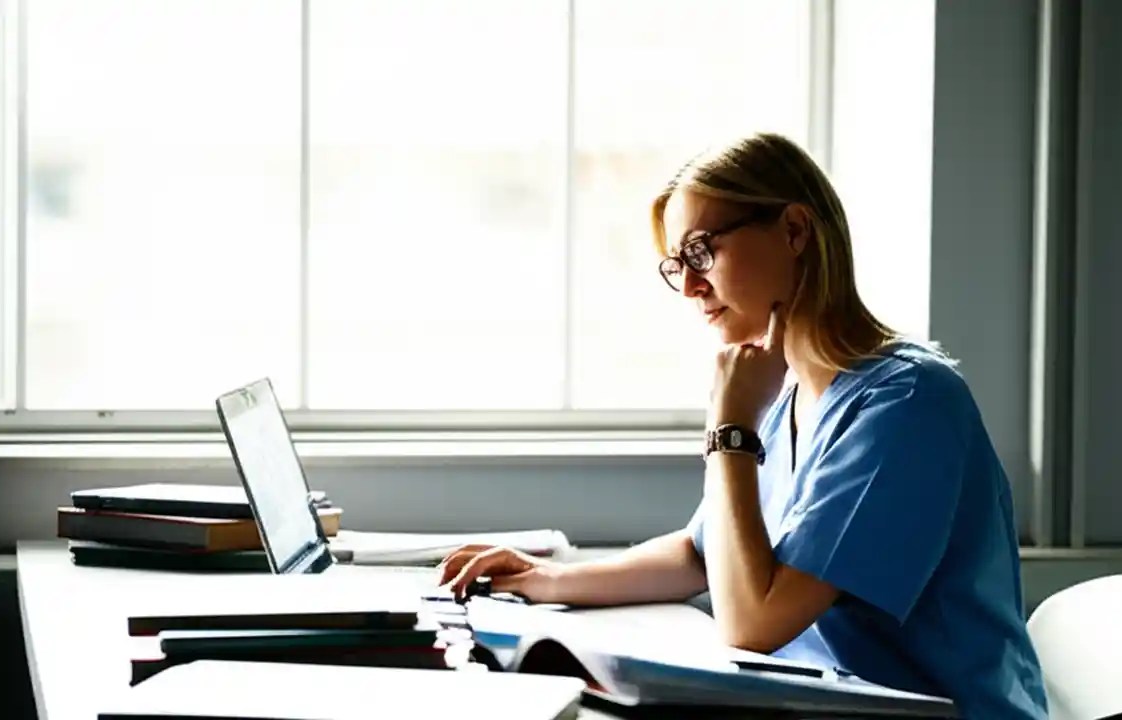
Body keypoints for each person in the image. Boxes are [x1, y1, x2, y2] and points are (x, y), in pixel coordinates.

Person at [438, 132, 1049, 719]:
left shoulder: (909, 402)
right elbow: (698, 556)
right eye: (677, 264)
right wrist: (543, 579)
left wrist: (728, 429)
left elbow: (752, 625)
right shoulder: (789, 400)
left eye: (702, 252)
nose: (690, 287)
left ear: (793, 231)